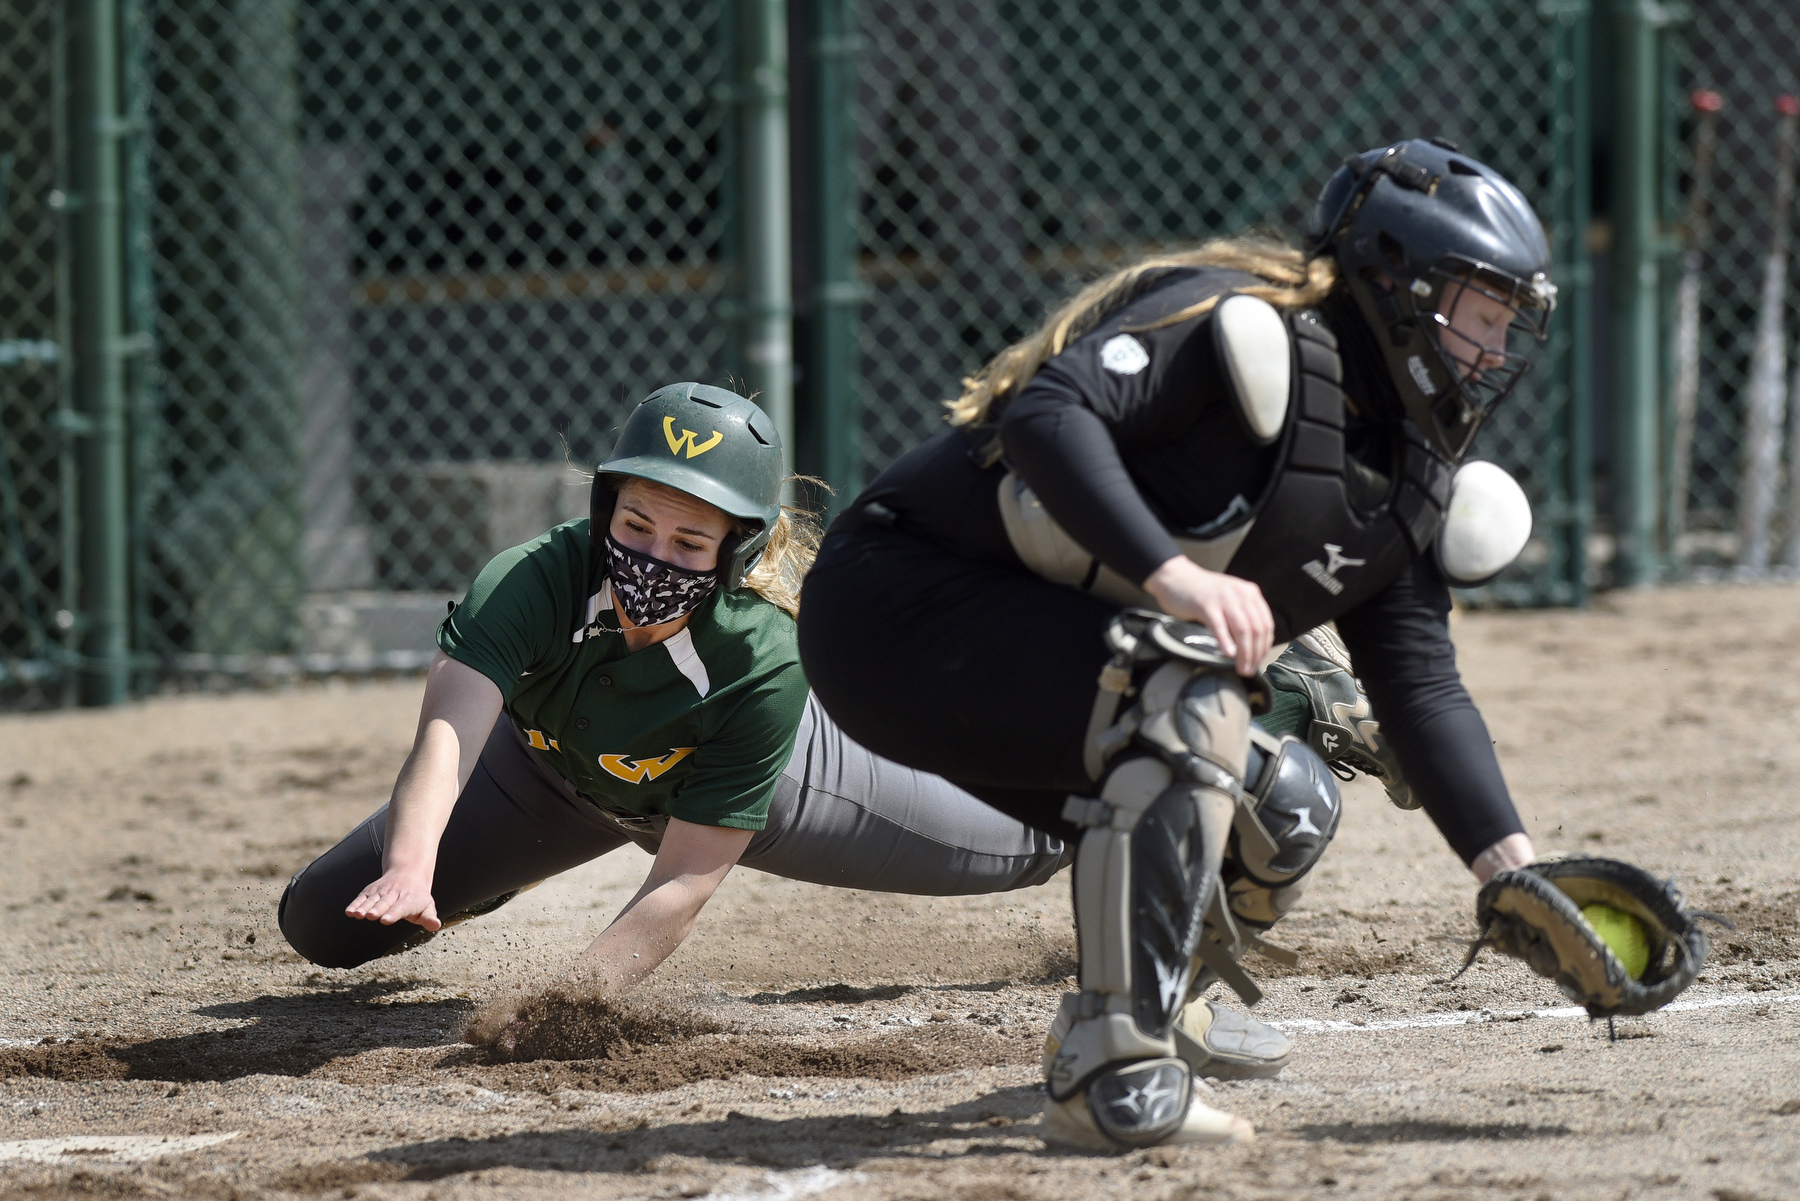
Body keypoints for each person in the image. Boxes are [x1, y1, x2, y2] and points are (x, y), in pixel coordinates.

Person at [797, 138, 1556, 1148]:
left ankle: (1158, 1002)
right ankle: (1110, 1071)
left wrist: (1516, 873)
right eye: (1483, 314)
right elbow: (1046, 413)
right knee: (1187, 697)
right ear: (1401, 283)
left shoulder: (1404, 464)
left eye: (1508, 324)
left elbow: (1420, 686)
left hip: (1029, 648)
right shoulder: (1245, 327)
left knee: (1284, 803)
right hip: (894, 605)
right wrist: (1180, 576)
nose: (1494, 349)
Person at [278, 384, 1072, 1001]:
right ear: (605, 509)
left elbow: (686, 875)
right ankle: (494, 872)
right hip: (549, 772)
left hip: (767, 784)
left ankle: (1121, 803)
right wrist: (413, 868)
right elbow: (447, 740)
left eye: (691, 541)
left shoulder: (761, 660)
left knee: (1035, 836)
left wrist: (569, 1001)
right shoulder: (533, 578)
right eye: (636, 525)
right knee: (319, 920)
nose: (654, 556)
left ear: (737, 548)